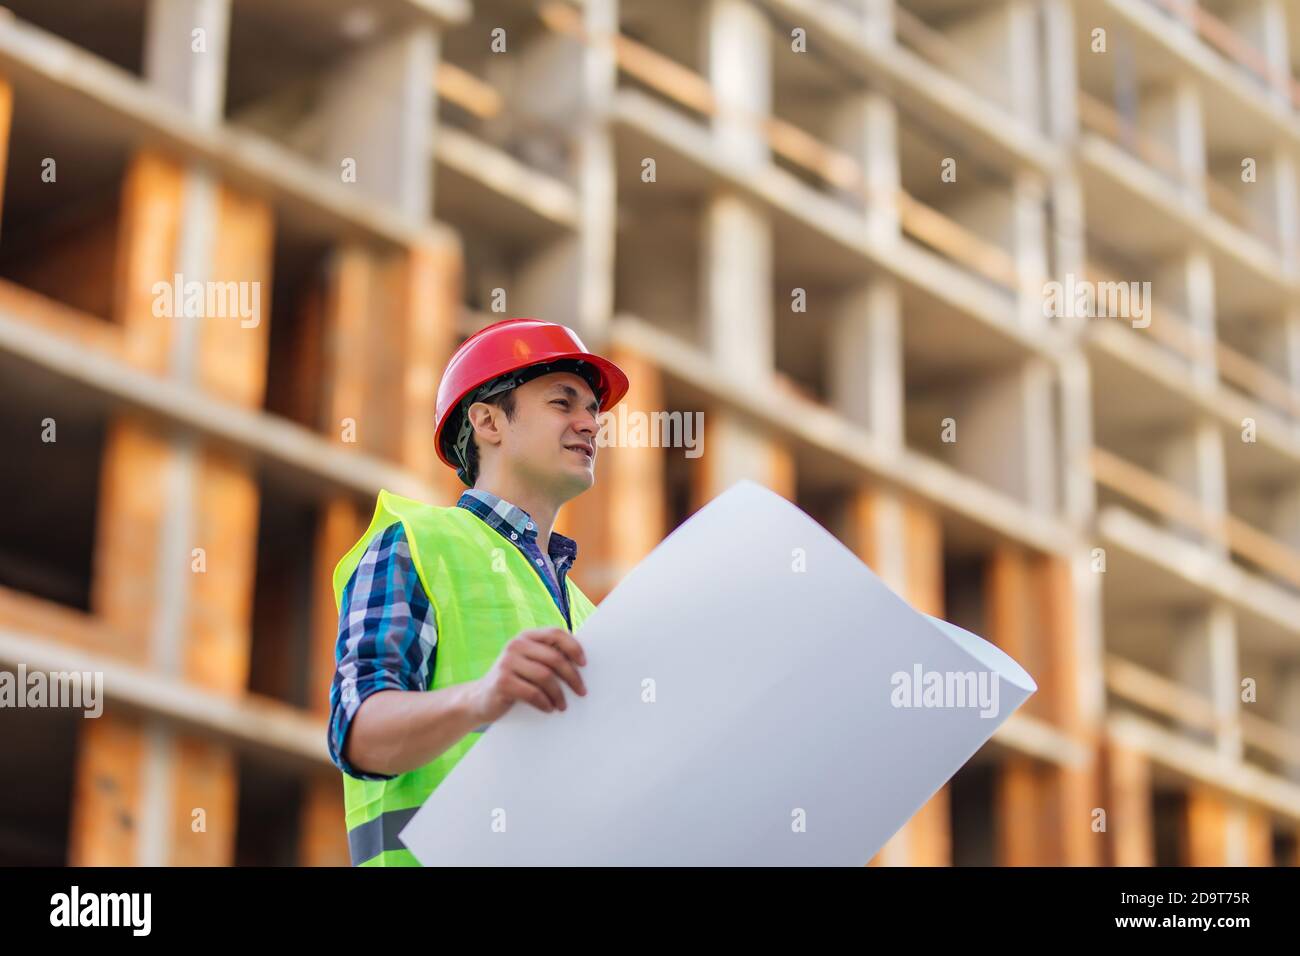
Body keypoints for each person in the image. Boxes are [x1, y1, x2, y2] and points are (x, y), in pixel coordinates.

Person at [326, 318, 629, 866]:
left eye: (593, 410)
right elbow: (359, 732)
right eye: (564, 404)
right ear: (488, 421)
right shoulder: (416, 543)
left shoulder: (588, 615)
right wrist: (482, 698)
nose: (590, 424)